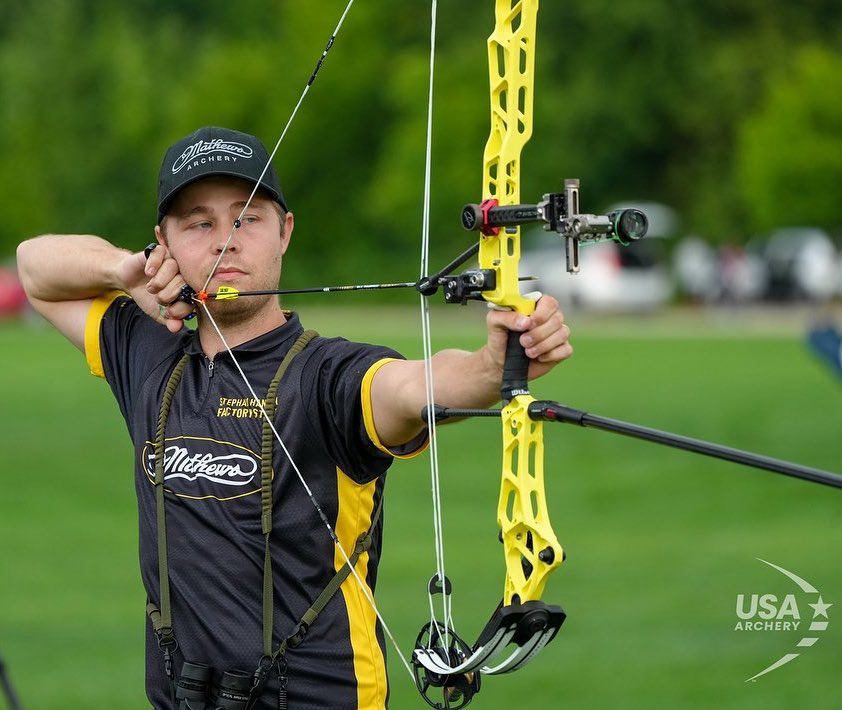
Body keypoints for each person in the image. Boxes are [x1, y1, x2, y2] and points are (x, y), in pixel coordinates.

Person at [15, 126, 573, 709]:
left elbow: (412, 386)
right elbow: (36, 271)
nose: (224, 242)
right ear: (165, 243)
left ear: (284, 232)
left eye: (246, 218)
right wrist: (124, 270)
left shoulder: (327, 375)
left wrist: (493, 365)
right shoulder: (147, 350)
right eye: (198, 223)